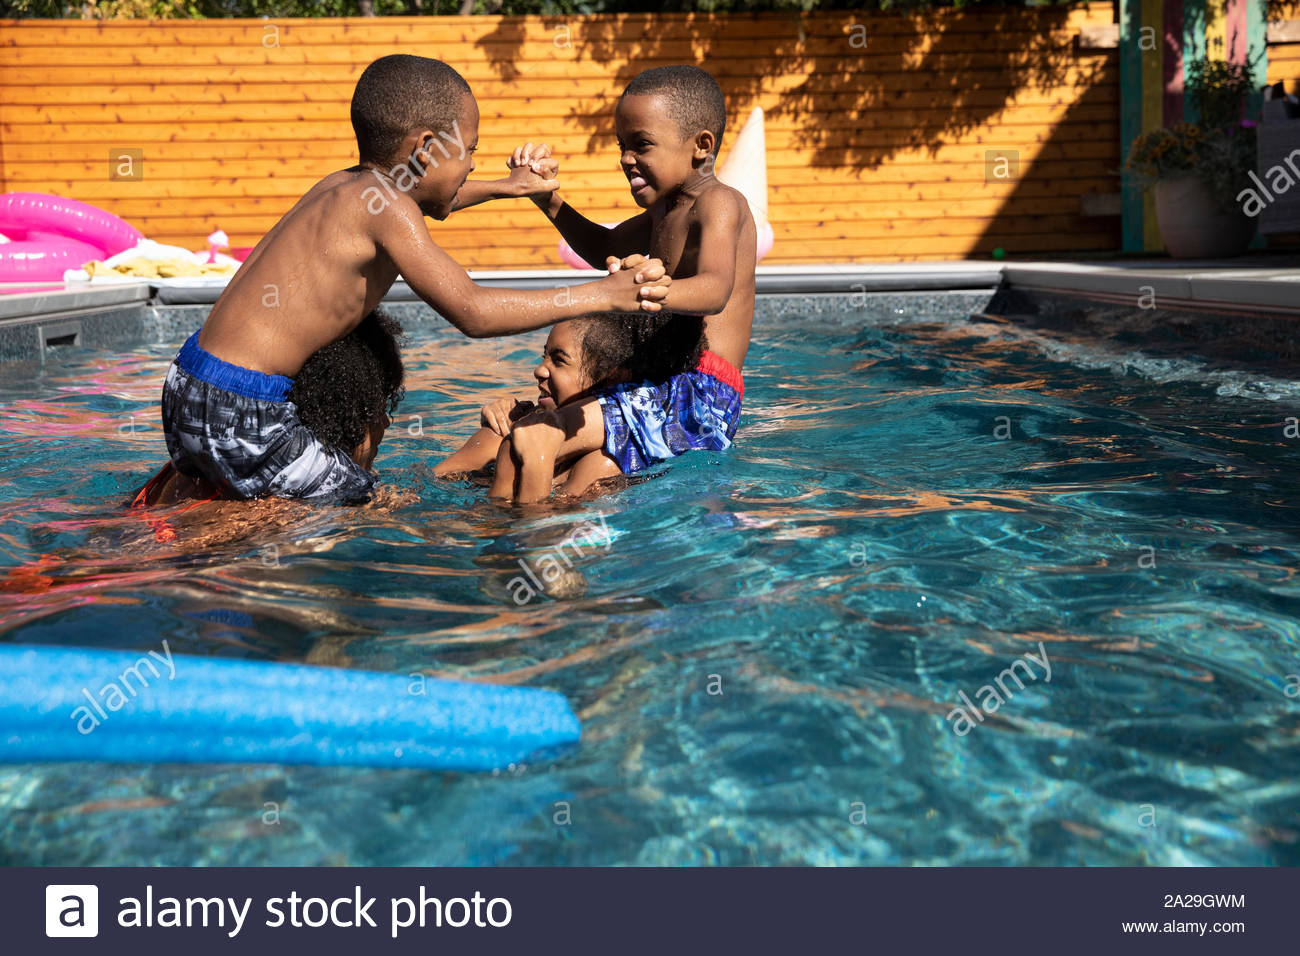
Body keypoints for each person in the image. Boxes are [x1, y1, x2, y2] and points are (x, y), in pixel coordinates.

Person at [161, 53, 672, 506]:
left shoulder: (346, 187)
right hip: (244, 407)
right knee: (368, 506)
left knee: (246, 490)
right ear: (426, 147)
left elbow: (433, 197)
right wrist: (605, 293)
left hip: (189, 382)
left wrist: (507, 187)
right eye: (468, 150)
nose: (471, 165)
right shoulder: (389, 210)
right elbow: (473, 311)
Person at [497, 65, 756, 502]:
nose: (626, 158)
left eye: (642, 144)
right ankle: (499, 518)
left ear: (701, 146)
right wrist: (548, 200)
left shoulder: (720, 202)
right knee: (521, 438)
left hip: (702, 392)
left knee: (542, 434)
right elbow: (601, 247)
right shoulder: (664, 212)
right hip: (661, 380)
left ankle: (531, 532)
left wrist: (647, 291)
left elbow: (715, 289)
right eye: (622, 145)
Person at [131, 309, 405, 509]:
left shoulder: (206, 464)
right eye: (378, 408)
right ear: (351, 412)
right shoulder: (283, 503)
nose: (386, 422)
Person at [436, 312, 703, 500]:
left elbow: (538, 538)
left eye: (559, 361)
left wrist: (534, 462)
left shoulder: (603, 464)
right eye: (544, 355)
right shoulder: (505, 427)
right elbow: (429, 484)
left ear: (612, 378)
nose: (539, 370)